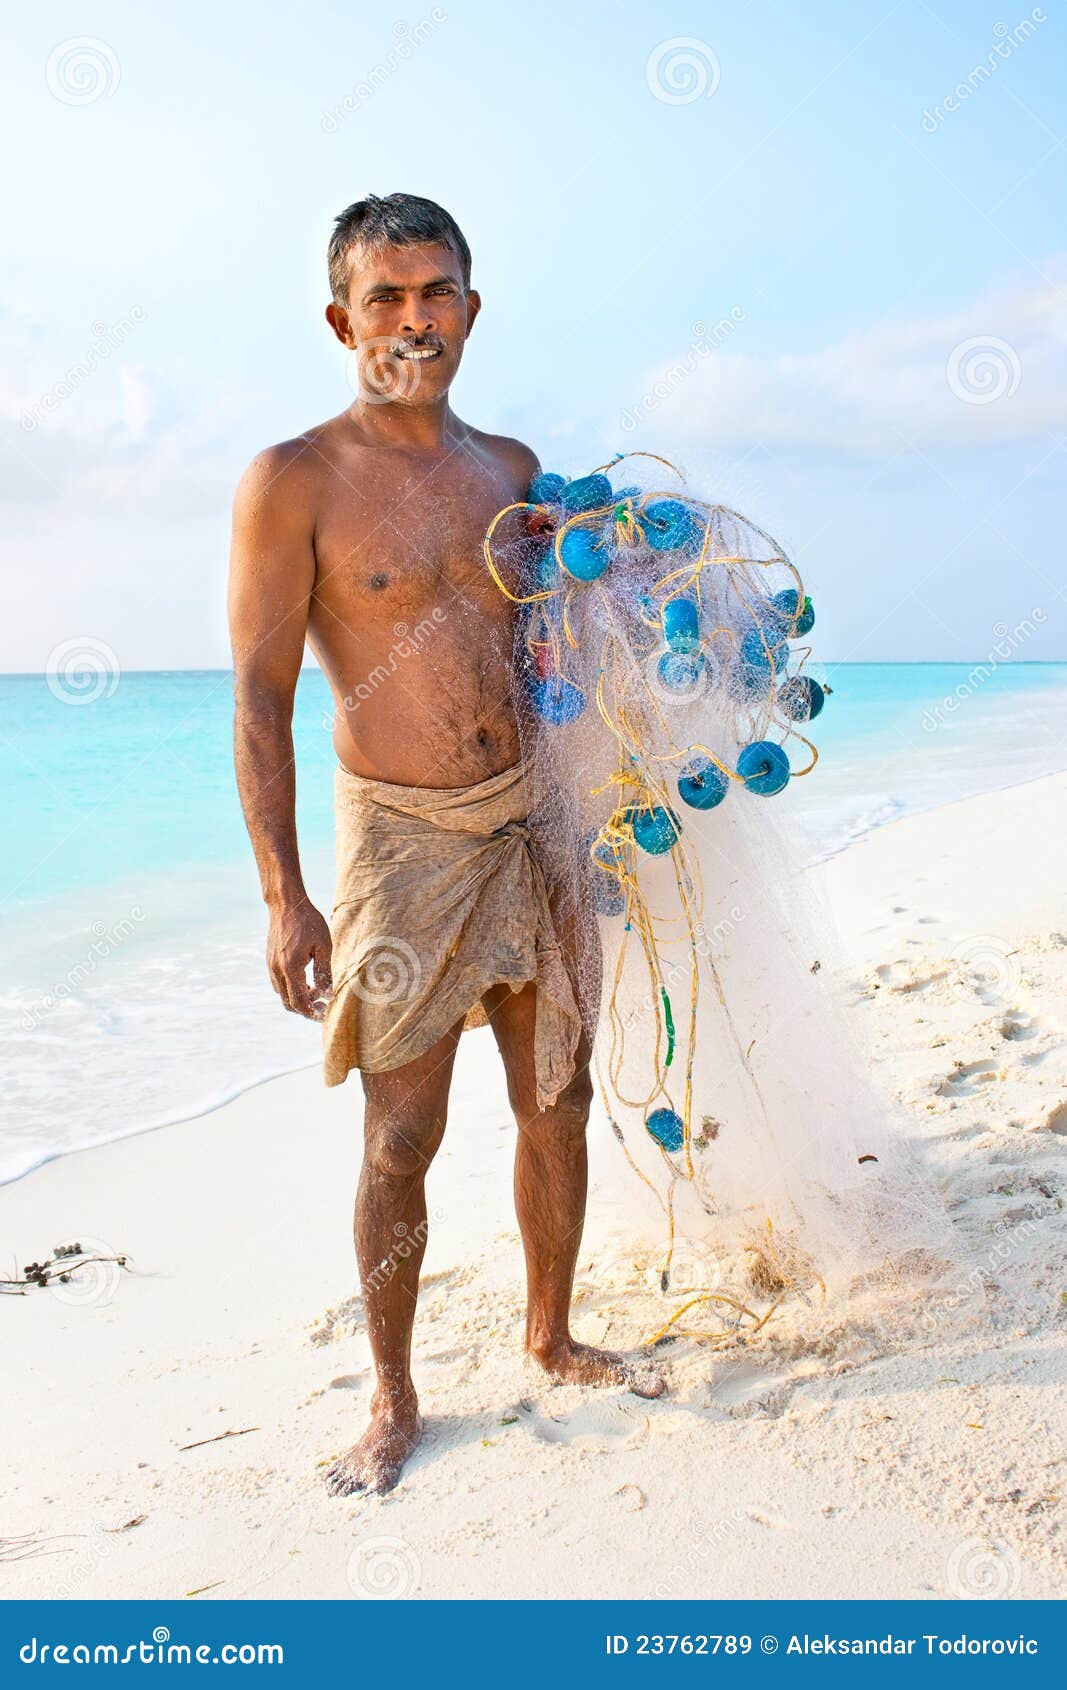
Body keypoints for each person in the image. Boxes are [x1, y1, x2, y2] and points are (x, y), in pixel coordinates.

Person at [228, 193, 664, 1497]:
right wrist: (283, 894)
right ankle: (394, 1392)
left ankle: (549, 1331)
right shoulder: (294, 479)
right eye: (387, 296)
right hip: (399, 838)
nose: (414, 320)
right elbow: (260, 695)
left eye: (437, 294)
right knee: (400, 1135)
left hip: (536, 817)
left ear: (472, 308)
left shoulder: (517, 470)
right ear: (340, 317)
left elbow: (571, 650)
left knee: (558, 1097)